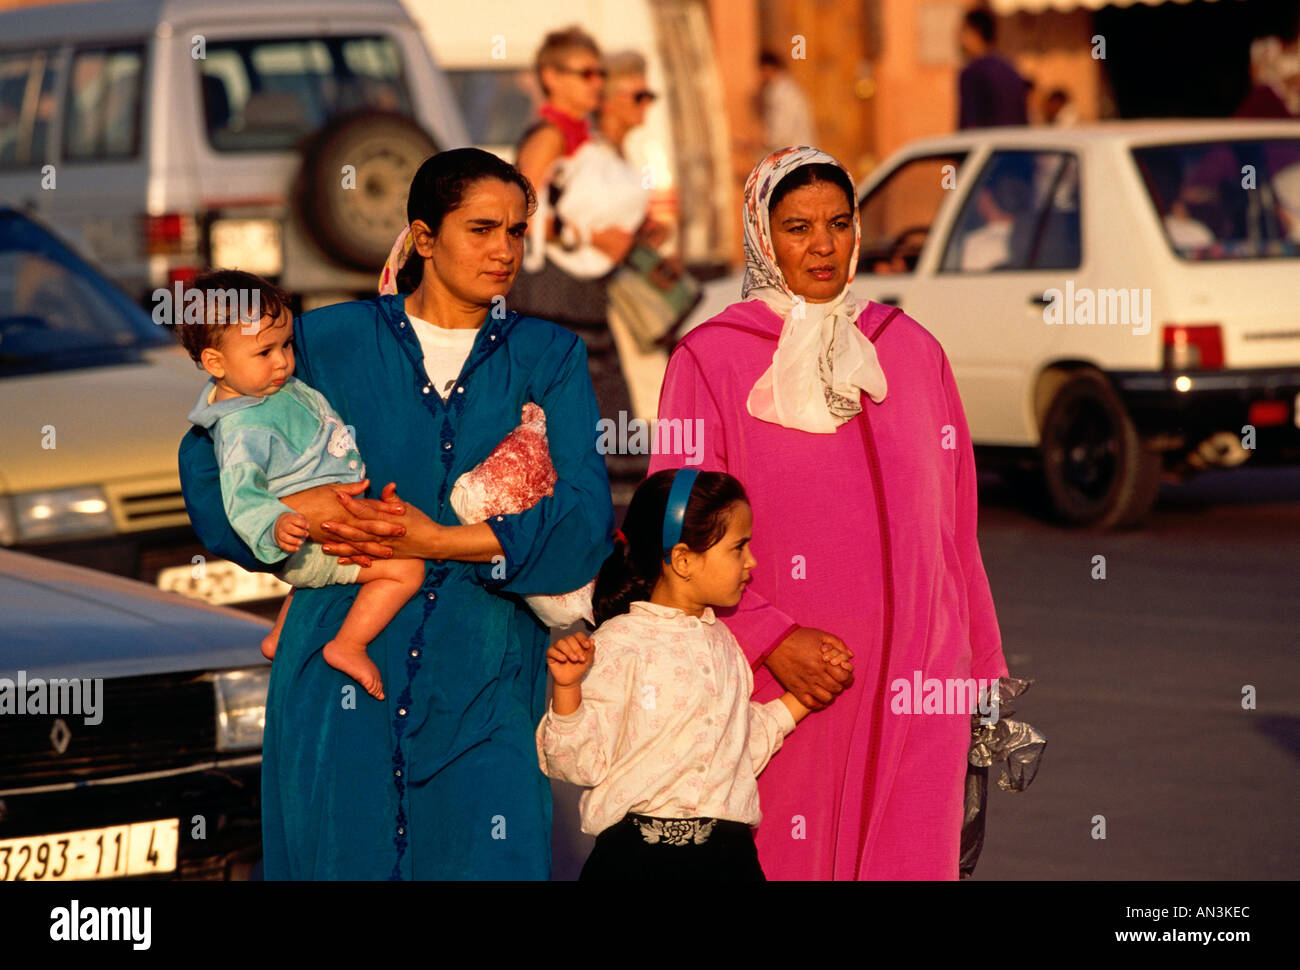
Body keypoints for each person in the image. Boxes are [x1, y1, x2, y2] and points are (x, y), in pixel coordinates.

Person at [178, 147, 615, 879]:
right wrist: (297, 516)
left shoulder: (549, 355)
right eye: (481, 229)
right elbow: (210, 451)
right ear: (423, 236)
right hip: (339, 680)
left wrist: (441, 539)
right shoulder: (326, 342)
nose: (504, 250)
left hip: (488, 684)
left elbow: (584, 520)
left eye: (516, 230)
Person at [649, 146, 1009, 880]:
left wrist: (980, 676)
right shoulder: (710, 360)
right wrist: (770, 638)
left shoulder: (909, 350)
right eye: (796, 226)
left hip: (921, 683)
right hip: (790, 691)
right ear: (760, 236)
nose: (822, 246)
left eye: (839, 224)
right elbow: (675, 530)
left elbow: (956, 534)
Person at [537, 468, 850, 879]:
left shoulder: (727, 646)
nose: (751, 562)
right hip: (634, 861)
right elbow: (579, 765)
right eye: (739, 548)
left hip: (729, 859)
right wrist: (566, 689)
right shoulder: (619, 643)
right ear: (683, 560)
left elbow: (738, 747)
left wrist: (808, 694)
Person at [176, 269, 422, 700]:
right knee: (405, 569)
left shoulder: (271, 393)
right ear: (216, 363)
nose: (283, 361)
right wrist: (276, 525)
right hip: (310, 539)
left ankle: (278, 636)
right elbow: (242, 496)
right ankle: (349, 644)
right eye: (265, 351)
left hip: (326, 526)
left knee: (316, 577)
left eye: (287, 345)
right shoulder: (240, 427)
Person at [510, 27, 648, 498]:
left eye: (600, 74)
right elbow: (519, 216)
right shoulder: (549, 136)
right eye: (585, 73)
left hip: (581, 297)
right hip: (551, 296)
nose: (596, 84)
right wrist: (589, 235)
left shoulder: (581, 139)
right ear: (552, 77)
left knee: (607, 417)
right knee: (583, 416)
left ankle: (610, 528)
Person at [592, 49, 672, 423]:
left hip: (628, 283)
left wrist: (644, 234)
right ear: (608, 101)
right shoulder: (591, 155)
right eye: (638, 97)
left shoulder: (622, 153)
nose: (647, 105)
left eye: (649, 96)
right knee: (647, 385)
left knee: (649, 381)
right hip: (608, 290)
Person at [957, 8, 1029, 129]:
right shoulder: (1011, 70)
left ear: (976, 32)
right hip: (1015, 145)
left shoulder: (972, 73)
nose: (959, 38)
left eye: (964, 30)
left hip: (986, 145)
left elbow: (970, 127)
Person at [759, 50, 816, 155]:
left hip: (793, 154)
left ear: (768, 68)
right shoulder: (788, 89)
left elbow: (780, 133)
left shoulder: (781, 93)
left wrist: (759, 142)